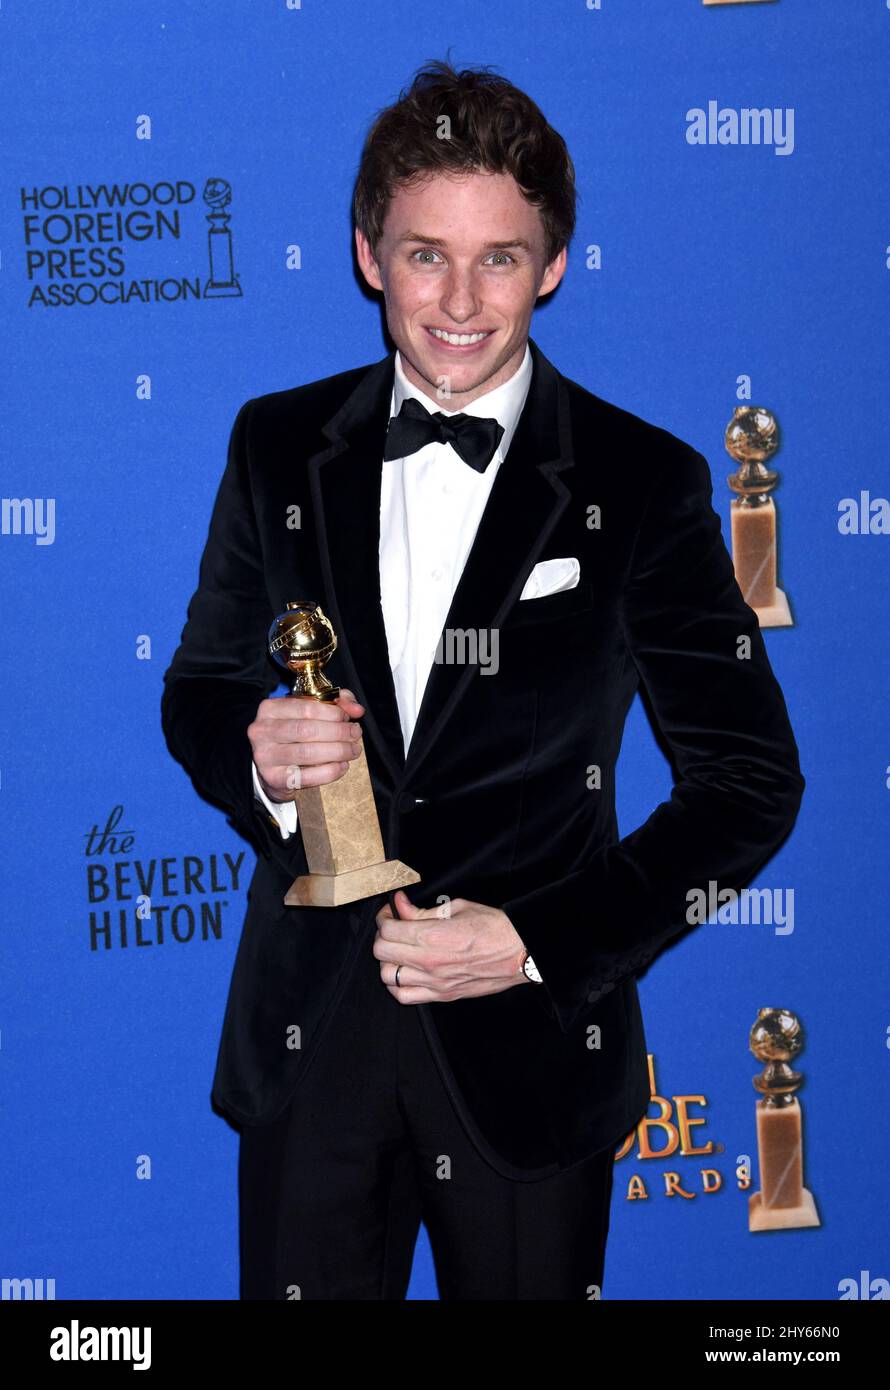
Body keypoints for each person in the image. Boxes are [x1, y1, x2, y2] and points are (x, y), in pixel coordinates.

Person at [161, 58, 805, 1301]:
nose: (458, 300)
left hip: (526, 1055)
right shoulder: (276, 443)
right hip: (312, 1037)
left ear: (552, 265)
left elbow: (749, 785)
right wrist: (259, 760)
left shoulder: (645, 480)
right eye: (423, 255)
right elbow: (199, 685)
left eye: (498, 258)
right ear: (366, 253)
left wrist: (526, 944)